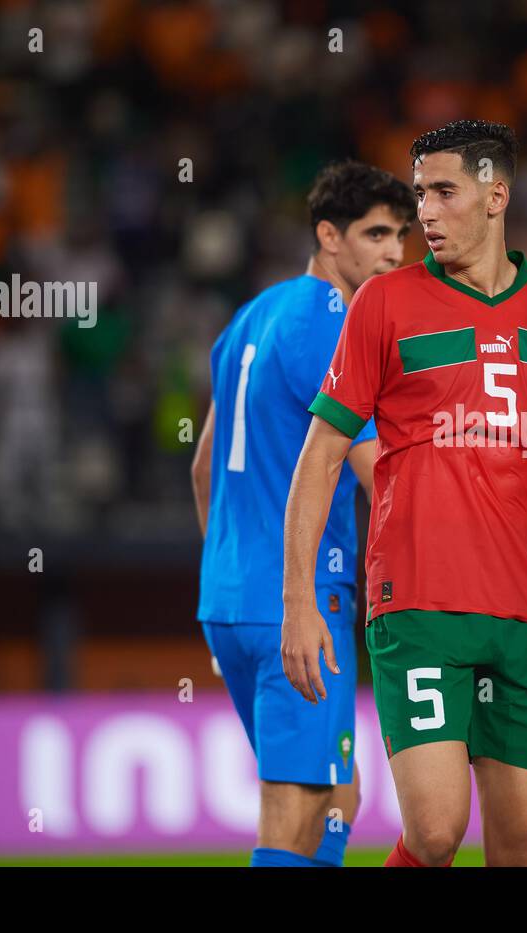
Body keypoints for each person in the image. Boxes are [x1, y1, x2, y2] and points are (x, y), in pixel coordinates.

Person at [282, 120, 527, 867]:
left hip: (526, 610)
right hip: (418, 603)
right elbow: (321, 457)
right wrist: (297, 600)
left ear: (496, 196)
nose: (424, 211)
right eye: (420, 192)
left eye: (443, 192)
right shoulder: (383, 304)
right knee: (435, 832)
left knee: (525, 844)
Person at [192, 161, 414, 867]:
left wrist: (234, 577)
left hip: (231, 599)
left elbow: (202, 467)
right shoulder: (333, 320)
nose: (394, 253)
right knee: (297, 809)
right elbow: (378, 474)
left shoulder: (251, 315)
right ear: (328, 236)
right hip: (302, 599)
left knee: (338, 795)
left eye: (401, 236)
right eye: (376, 234)